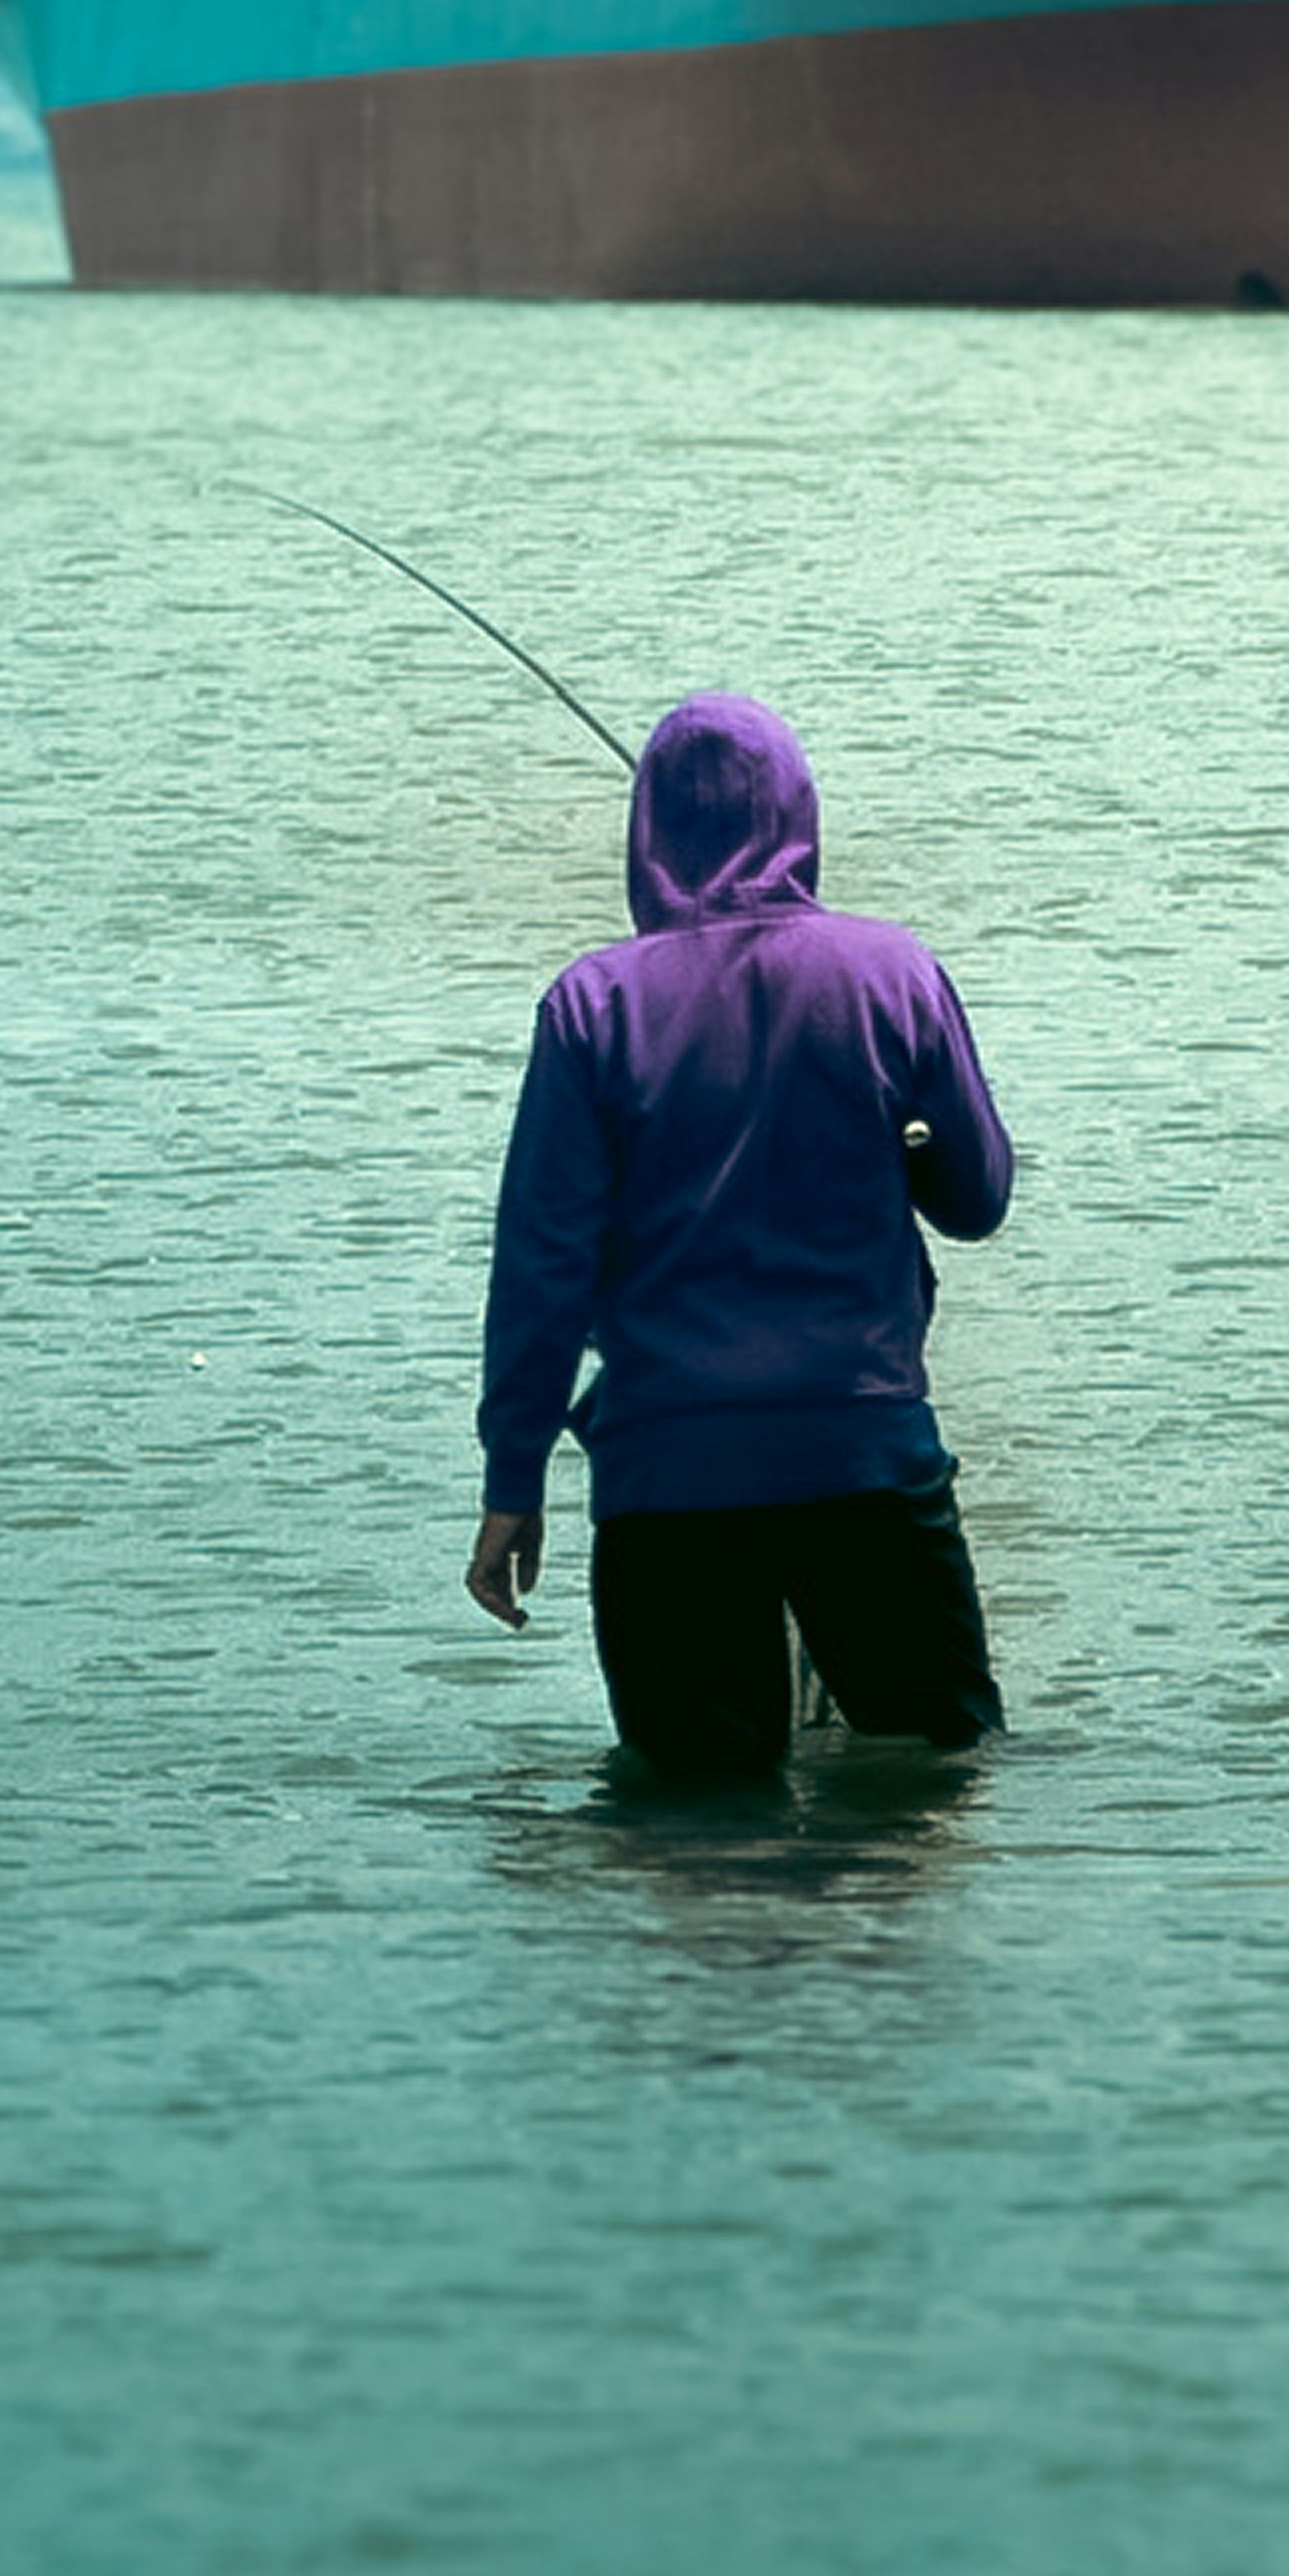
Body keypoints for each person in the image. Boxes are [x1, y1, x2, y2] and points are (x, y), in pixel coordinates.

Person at [468, 690, 1015, 1771]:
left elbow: (544, 1262)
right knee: (932, 1790)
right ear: (799, 813)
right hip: (864, 1458)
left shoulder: (589, 1006)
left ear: (647, 833)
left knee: (695, 1840)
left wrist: (511, 1479)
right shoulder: (891, 970)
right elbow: (976, 1198)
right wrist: (896, 1140)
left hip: (668, 1482)